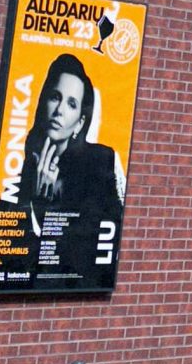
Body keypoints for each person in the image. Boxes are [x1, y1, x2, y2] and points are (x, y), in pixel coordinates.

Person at [16, 53, 125, 285]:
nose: (59, 110)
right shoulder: (21, 169)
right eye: (55, 97)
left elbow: (102, 247)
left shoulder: (102, 164)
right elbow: (8, 262)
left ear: (80, 123)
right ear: (43, 102)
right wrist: (35, 204)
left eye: (71, 104)